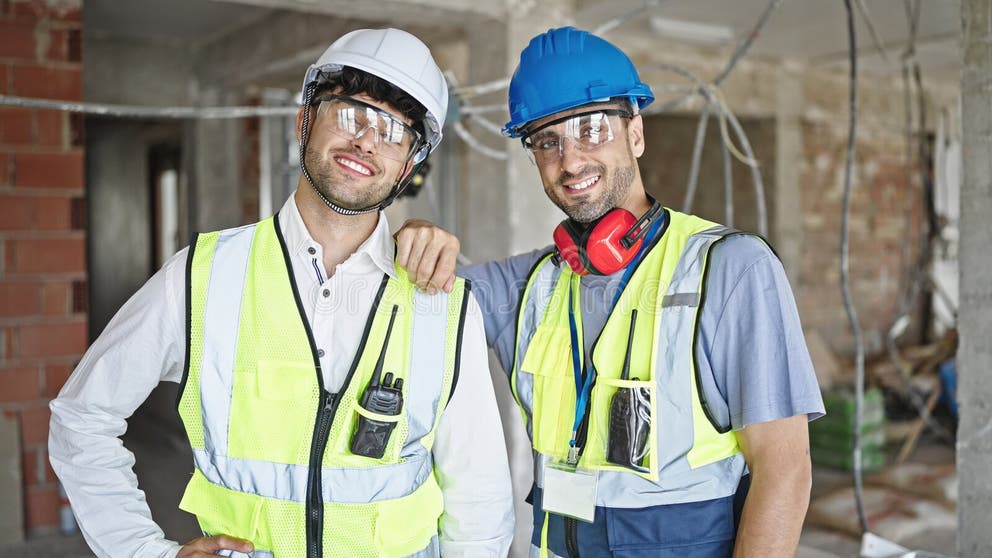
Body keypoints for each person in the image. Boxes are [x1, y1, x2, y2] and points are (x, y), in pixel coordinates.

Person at [49, 28, 514, 558]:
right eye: (349, 113)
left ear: (409, 164)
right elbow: (81, 418)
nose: (365, 140)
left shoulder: (441, 299)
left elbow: (479, 496)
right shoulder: (204, 277)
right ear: (304, 121)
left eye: (392, 130)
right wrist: (142, 550)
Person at [396, 26, 824, 557]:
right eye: (547, 141)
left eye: (593, 129)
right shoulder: (525, 288)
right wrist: (409, 237)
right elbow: (407, 292)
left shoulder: (729, 268)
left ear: (636, 134)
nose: (570, 161)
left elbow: (785, 471)